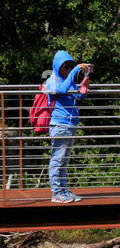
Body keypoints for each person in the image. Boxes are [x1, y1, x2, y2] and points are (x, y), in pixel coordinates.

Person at [44, 50, 91, 203]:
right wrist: (76, 70)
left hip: (70, 125)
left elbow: (75, 96)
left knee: (64, 160)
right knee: (57, 160)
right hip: (59, 125)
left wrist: (83, 86)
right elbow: (61, 90)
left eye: (71, 67)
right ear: (58, 67)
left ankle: (63, 190)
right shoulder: (52, 80)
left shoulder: (67, 79)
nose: (69, 70)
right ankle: (56, 193)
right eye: (66, 67)